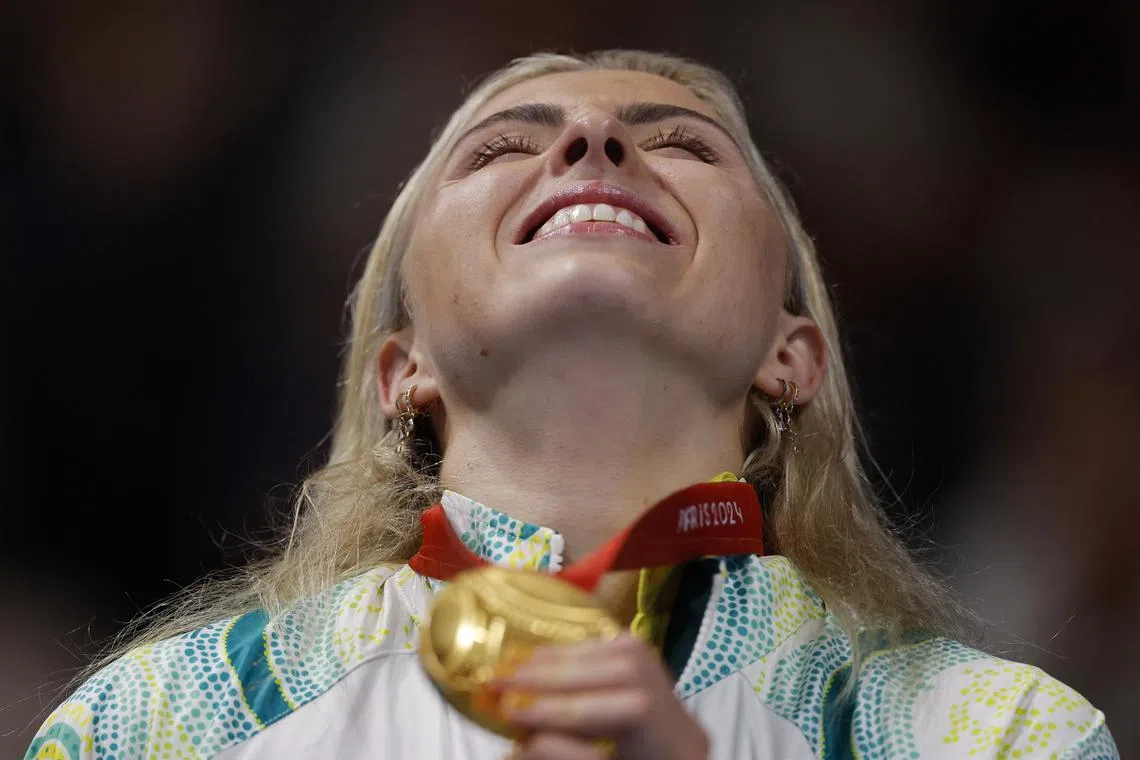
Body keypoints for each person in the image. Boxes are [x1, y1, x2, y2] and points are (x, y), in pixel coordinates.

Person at [25, 49, 1117, 760]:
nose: (592, 146)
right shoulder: (160, 725)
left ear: (793, 356)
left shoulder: (998, 736)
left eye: (683, 145)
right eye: (502, 147)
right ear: (400, 369)